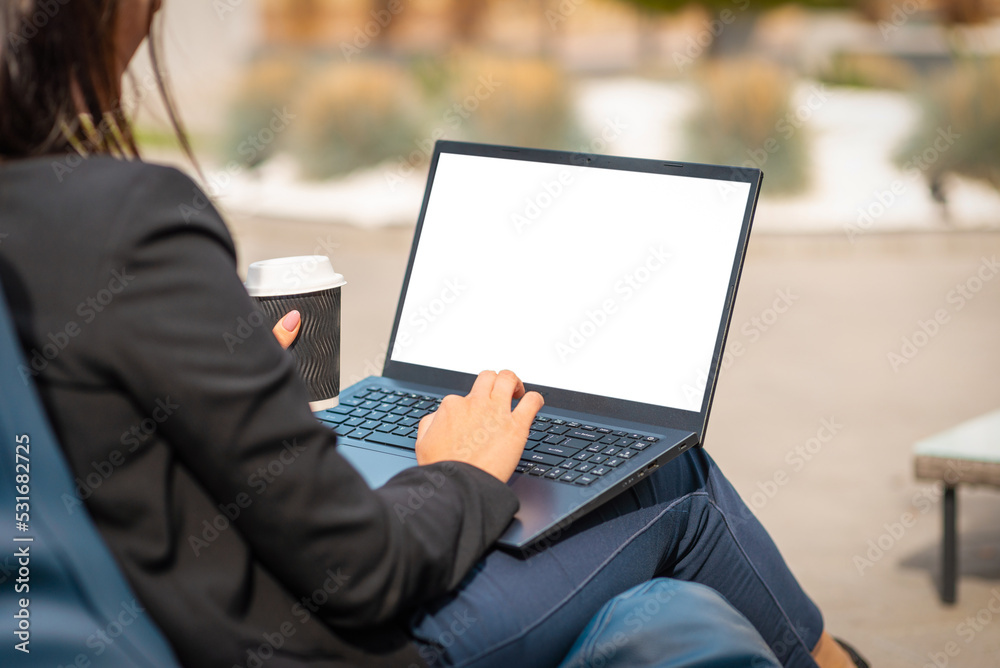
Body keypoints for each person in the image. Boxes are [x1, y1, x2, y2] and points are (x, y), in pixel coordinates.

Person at [0, 2, 867, 667]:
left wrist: (201, 403)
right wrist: (460, 467)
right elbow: (363, 571)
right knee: (673, 476)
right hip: (317, 642)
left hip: (174, 609)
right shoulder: (126, 221)